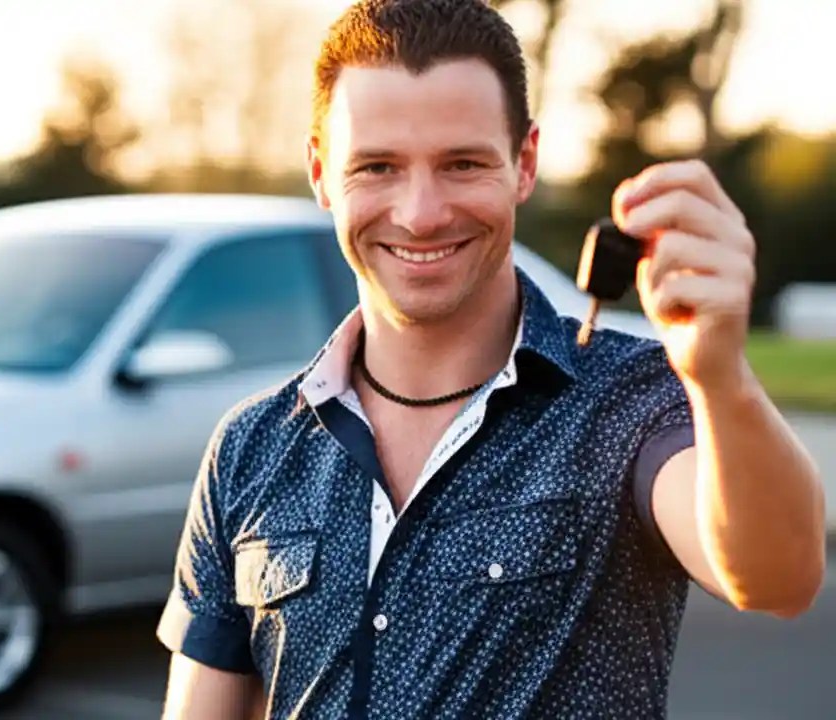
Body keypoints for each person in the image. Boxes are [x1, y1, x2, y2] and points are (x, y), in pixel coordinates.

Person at [156, 0, 827, 717]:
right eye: (377, 166)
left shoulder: (631, 400)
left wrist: (721, 377)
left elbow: (777, 575)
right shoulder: (249, 448)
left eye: (462, 164)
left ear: (524, 164)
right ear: (321, 171)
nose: (420, 213)